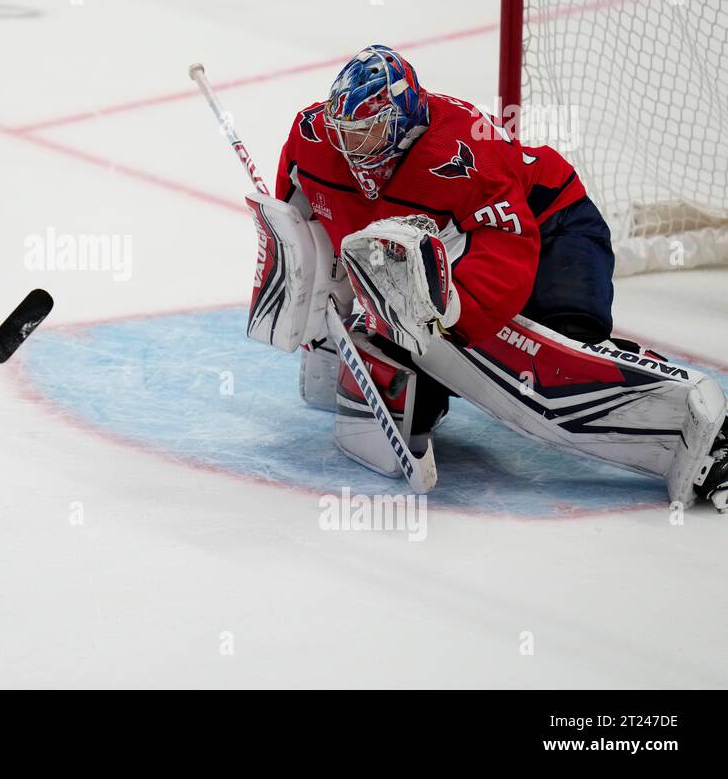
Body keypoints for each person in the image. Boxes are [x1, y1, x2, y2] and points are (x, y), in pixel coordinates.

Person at [245, 44, 727, 507]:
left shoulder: (464, 154)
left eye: (369, 132)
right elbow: (304, 220)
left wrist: (450, 312)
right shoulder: (313, 137)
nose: (352, 146)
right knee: (411, 357)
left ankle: (703, 428)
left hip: (552, 224)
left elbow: (506, 255)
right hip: (449, 250)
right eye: (345, 130)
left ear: (404, 123)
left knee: (562, 352)